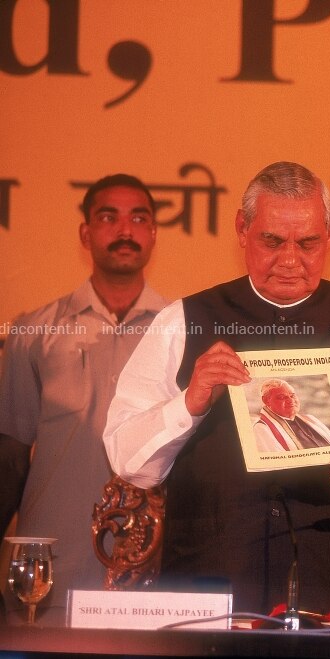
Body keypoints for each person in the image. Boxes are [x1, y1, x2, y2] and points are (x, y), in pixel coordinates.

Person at [103, 161, 330, 617]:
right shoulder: (183, 322)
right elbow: (128, 461)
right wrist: (188, 403)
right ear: (242, 230)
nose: (290, 260)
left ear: (329, 236)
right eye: (272, 241)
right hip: (207, 586)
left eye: (307, 243)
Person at [0, 174, 166, 625]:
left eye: (139, 218)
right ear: (86, 233)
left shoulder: (180, 334)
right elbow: (11, 458)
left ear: (153, 234)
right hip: (50, 563)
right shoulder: (34, 333)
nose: (125, 230)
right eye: (108, 217)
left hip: (150, 571)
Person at [253, 378, 330, 452]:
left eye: (292, 396)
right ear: (266, 401)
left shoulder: (311, 420)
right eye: (281, 397)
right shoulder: (261, 428)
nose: (290, 400)